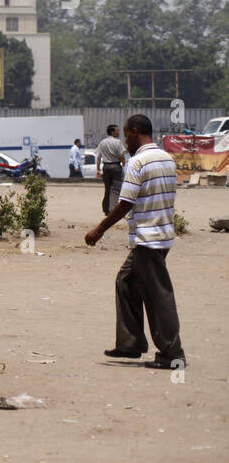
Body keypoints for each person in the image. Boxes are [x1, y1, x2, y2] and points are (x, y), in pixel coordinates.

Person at [85, 114, 185, 370]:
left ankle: (172, 353)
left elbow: (125, 203)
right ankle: (130, 343)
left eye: (127, 134)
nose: (124, 142)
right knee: (126, 282)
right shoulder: (166, 158)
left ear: (135, 131)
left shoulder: (138, 162)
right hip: (161, 235)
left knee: (158, 295)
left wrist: (99, 229)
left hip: (147, 239)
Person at [96, 124, 126, 214]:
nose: (118, 132)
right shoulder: (118, 142)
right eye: (117, 130)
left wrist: (97, 169)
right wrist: (124, 164)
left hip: (106, 167)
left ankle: (105, 208)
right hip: (116, 167)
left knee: (107, 188)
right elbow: (121, 156)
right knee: (115, 189)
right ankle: (112, 209)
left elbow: (98, 157)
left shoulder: (102, 142)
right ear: (112, 132)